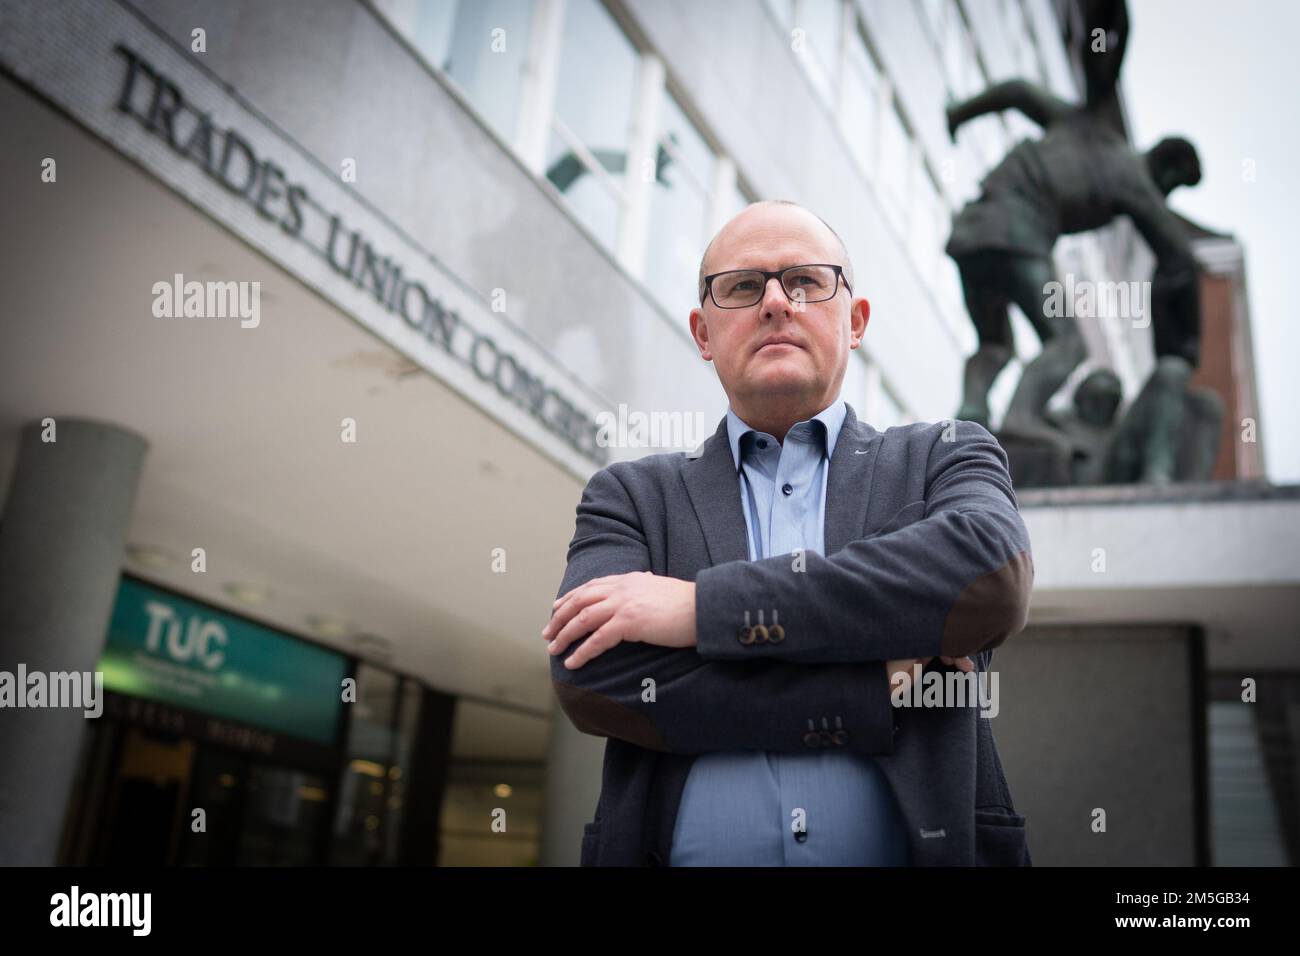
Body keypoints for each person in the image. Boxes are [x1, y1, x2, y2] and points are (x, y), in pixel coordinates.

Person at [541, 200, 1034, 866]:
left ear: (855, 320)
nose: (776, 301)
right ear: (703, 332)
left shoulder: (944, 455)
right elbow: (589, 675)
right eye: (743, 286)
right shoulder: (630, 496)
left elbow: (990, 578)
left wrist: (697, 610)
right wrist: (859, 691)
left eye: (805, 281)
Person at [945, 0, 1203, 484]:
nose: (1158, 200)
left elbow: (1021, 92)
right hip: (1017, 233)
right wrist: (1184, 344)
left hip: (972, 232)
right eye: (1168, 190)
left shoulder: (1075, 119)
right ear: (1165, 170)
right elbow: (1178, 252)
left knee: (995, 345)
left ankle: (972, 412)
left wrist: (962, 111)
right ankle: (1021, 418)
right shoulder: (1130, 172)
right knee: (1067, 345)